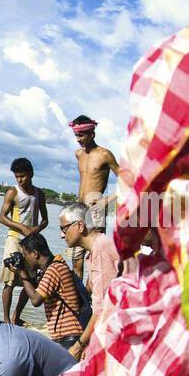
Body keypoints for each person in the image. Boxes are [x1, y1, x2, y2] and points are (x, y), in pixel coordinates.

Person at [60, 200, 120, 358]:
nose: (61, 235)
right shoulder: (98, 247)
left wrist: (80, 345)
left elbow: (102, 309)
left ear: (80, 226)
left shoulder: (100, 250)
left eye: (64, 229)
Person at [0, 157, 48, 326]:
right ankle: (5, 319)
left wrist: (35, 230)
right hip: (14, 238)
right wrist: (21, 227)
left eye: (23, 176)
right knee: (10, 280)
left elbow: (45, 220)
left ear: (31, 174)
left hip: (31, 242)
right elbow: (2, 218)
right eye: (17, 177)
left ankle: (15, 316)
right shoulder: (12, 192)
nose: (20, 180)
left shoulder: (39, 194)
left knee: (31, 280)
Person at [14, 231, 85, 349]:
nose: (25, 259)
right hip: (68, 335)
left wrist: (21, 272)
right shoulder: (53, 266)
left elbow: (35, 299)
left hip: (69, 336)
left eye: (25, 255)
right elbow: (32, 289)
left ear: (35, 254)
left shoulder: (54, 270)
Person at [69, 114, 120, 274]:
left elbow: (127, 180)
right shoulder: (79, 154)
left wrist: (106, 201)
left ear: (92, 134)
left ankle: (95, 297)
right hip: (78, 211)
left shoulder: (105, 155)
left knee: (96, 261)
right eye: (76, 135)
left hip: (96, 211)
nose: (78, 139)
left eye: (81, 135)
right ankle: (79, 298)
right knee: (76, 261)